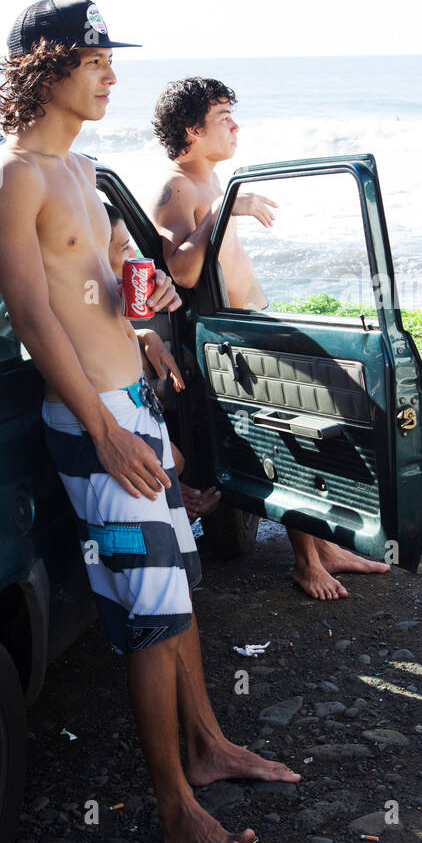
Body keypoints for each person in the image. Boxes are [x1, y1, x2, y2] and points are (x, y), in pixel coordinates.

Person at [0, 0, 299, 843]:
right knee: (152, 615)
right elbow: (34, 314)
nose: (112, 73)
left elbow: (110, 280)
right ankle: (173, 804)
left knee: (176, 591)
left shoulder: (79, 169)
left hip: (131, 404)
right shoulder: (11, 178)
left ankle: (208, 743)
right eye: (97, 58)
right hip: (92, 422)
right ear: (47, 64)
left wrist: (145, 323)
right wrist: (102, 429)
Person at [150, 76, 391, 600]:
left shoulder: (211, 181)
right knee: (288, 433)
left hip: (252, 323)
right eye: (222, 118)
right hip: (229, 340)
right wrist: (223, 208)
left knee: (315, 419)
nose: (235, 126)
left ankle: (323, 547)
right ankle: (305, 562)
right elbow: (181, 271)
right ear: (192, 130)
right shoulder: (178, 189)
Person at [104, 202, 220, 521]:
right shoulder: (71, 310)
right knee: (175, 462)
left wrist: (146, 336)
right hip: (110, 431)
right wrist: (170, 494)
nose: (133, 254)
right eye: (125, 245)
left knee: (175, 461)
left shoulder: (102, 300)